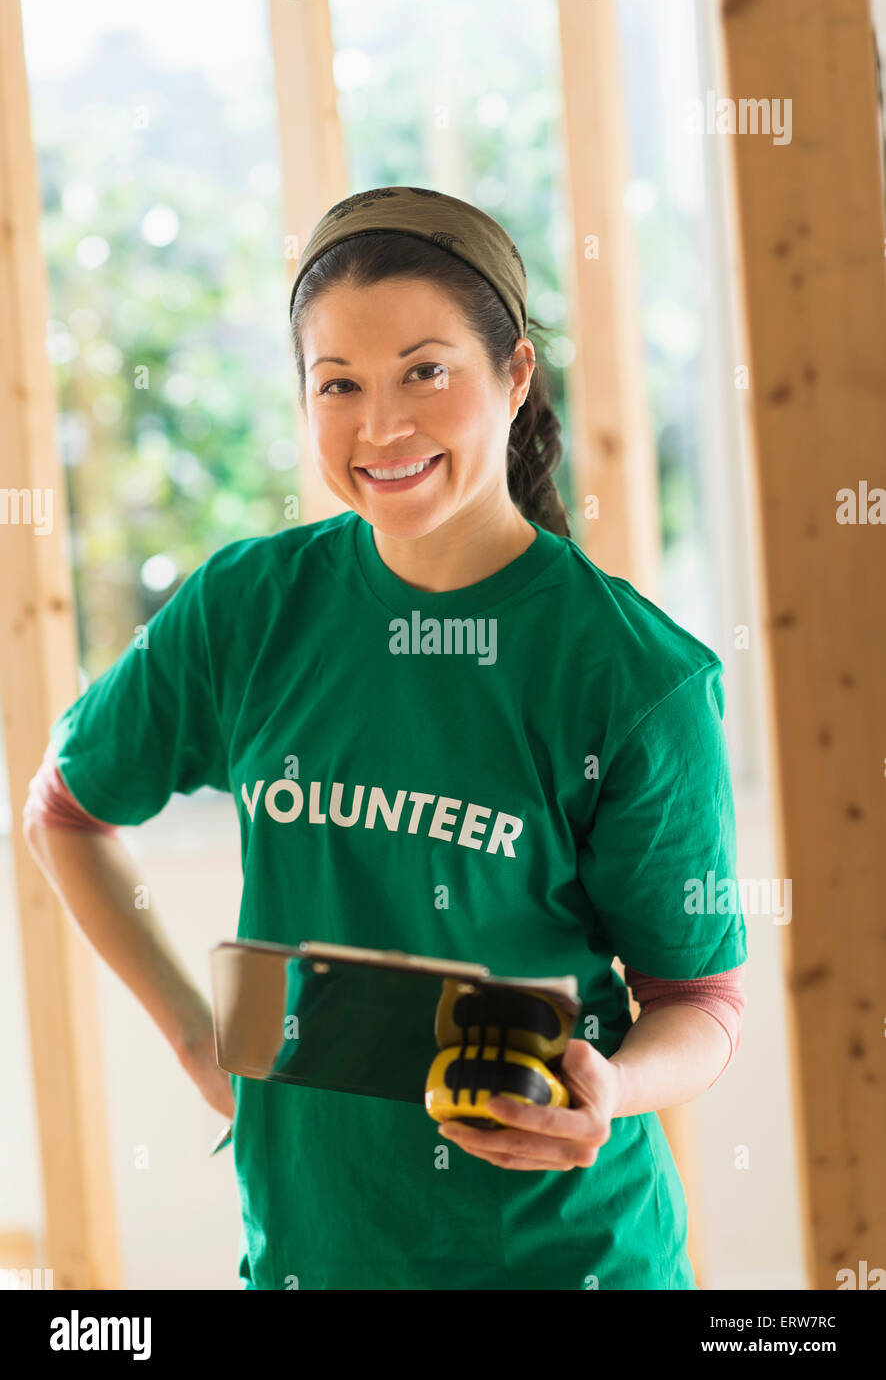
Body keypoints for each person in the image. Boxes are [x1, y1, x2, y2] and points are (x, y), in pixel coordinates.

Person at [24, 185, 747, 1291]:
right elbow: (66, 810)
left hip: (562, 1260)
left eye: (425, 372)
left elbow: (700, 1001)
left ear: (514, 374)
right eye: (339, 384)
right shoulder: (247, 610)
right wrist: (197, 1038)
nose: (381, 427)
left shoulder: (633, 676)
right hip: (311, 1255)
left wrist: (613, 1086)